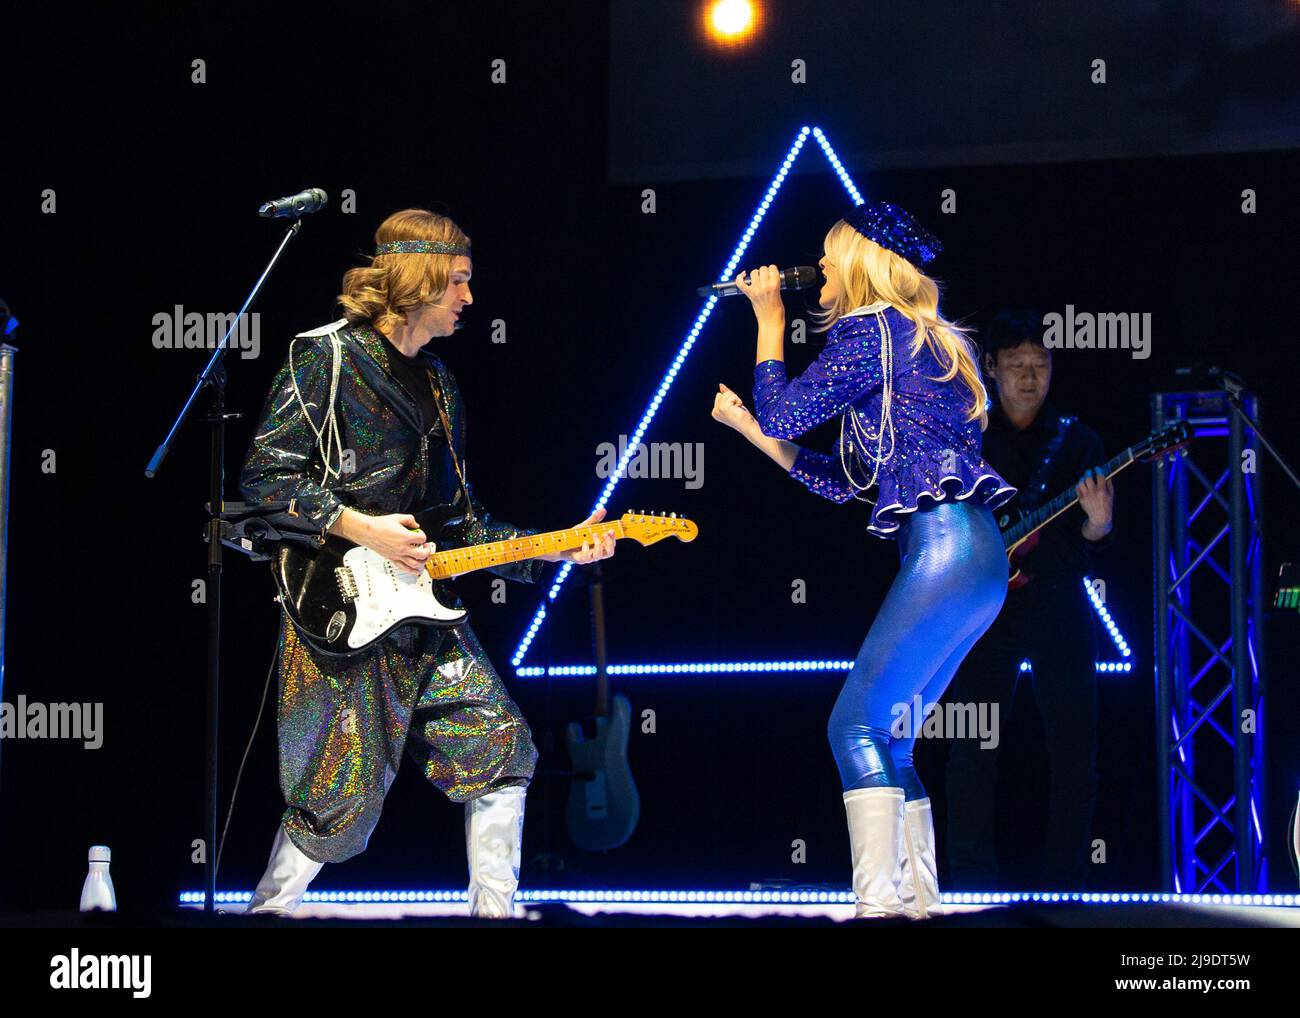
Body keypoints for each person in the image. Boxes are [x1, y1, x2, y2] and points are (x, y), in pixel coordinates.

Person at [238, 208, 615, 918]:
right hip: (340, 604)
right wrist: (362, 528)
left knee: (502, 747)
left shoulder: (440, 381)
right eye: (459, 281)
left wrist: (553, 545)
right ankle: (268, 914)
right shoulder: (327, 355)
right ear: (418, 278)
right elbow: (266, 477)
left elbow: (461, 522)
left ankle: (495, 915)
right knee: (338, 791)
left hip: (422, 606)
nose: (469, 298)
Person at [710, 203, 1015, 919]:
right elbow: (843, 480)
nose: (819, 266)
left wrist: (768, 319)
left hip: (943, 551)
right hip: (980, 561)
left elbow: (787, 413)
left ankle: (877, 909)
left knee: (854, 728)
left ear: (859, 263)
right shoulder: (927, 338)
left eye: (829, 254)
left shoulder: (871, 329)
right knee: (894, 740)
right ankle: (917, 904)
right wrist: (748, 431)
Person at [940, 309, 1114, 890]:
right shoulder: (966, 436)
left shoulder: (1079, 441)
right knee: (971, 743)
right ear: (991, 368)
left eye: (1040, 363)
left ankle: (1066, 883)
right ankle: (970, 880)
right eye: (1017, 364)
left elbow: (1091, 547)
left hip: (1057, 604)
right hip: (983, 609)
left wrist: (1098, 525)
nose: (1030, 376)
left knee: (1074, 746)